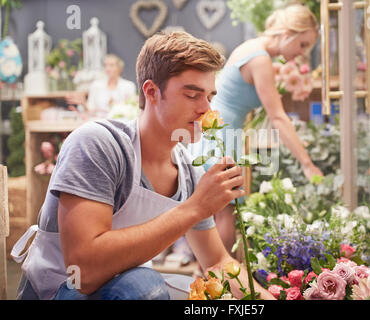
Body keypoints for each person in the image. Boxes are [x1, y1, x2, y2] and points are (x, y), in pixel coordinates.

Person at [11, 31, 274, 300]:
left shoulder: (188, 173)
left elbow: (218, 264)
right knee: (144, 285)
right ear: (151, 91)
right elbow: (84, 272)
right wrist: (196, 207)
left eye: (209, 97)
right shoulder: (98, 144)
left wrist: (267, 299)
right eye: (193, 95)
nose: (206, 109)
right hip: (57, 289)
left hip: (122, 289)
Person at [190, 4, 324, 254]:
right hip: (222, 134)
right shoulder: (260, 59)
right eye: (302, 45)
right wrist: (307, 164)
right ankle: (222, 280)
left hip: (219, 130)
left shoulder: (254, 49)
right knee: (226, 212)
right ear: (288, 34)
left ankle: (216, 280)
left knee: (219, 212)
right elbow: (278, 117)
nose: (301, 53)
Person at [65, 54, 136, 118]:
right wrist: (83, 104)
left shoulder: (129, 86)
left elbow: (131, 110)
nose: (108, 69)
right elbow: (90, 111)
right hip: (99, 124)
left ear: (120, 68)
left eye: (111, 65)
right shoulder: (96, 85)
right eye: (106, 65)